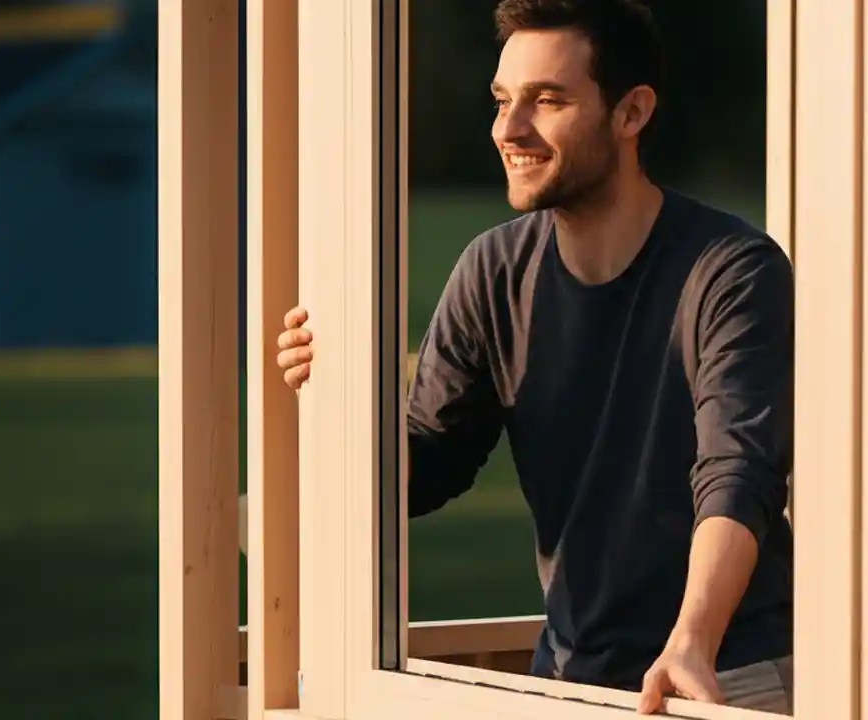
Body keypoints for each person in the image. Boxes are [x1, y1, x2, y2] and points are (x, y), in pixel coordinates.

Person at [277, 0, 794, 713]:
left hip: (723, 677)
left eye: (547, 100)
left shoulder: (731, 269)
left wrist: (692, 639)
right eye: (502, 100)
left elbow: (738, 470)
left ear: (632, 112)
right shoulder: (492, 270)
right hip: (567, 680)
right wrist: (334, 397)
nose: (509, 130)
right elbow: (427, 463)